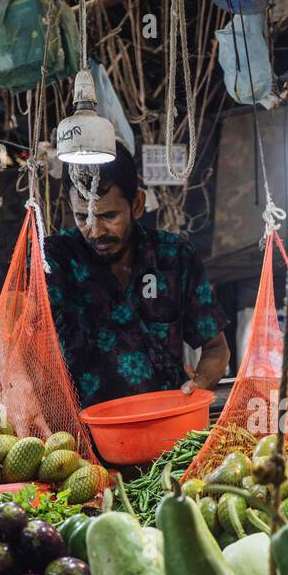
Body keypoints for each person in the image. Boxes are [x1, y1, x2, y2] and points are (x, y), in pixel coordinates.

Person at [43, 143, 230, 407]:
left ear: (138, 204)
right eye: (83, 217)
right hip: (80, 438)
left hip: (166, 427)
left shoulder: (174, 257)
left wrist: (197, 387)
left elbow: (215, 348)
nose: (95, 232)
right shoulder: (52, 260)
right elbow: (10, 332)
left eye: (109, 215)